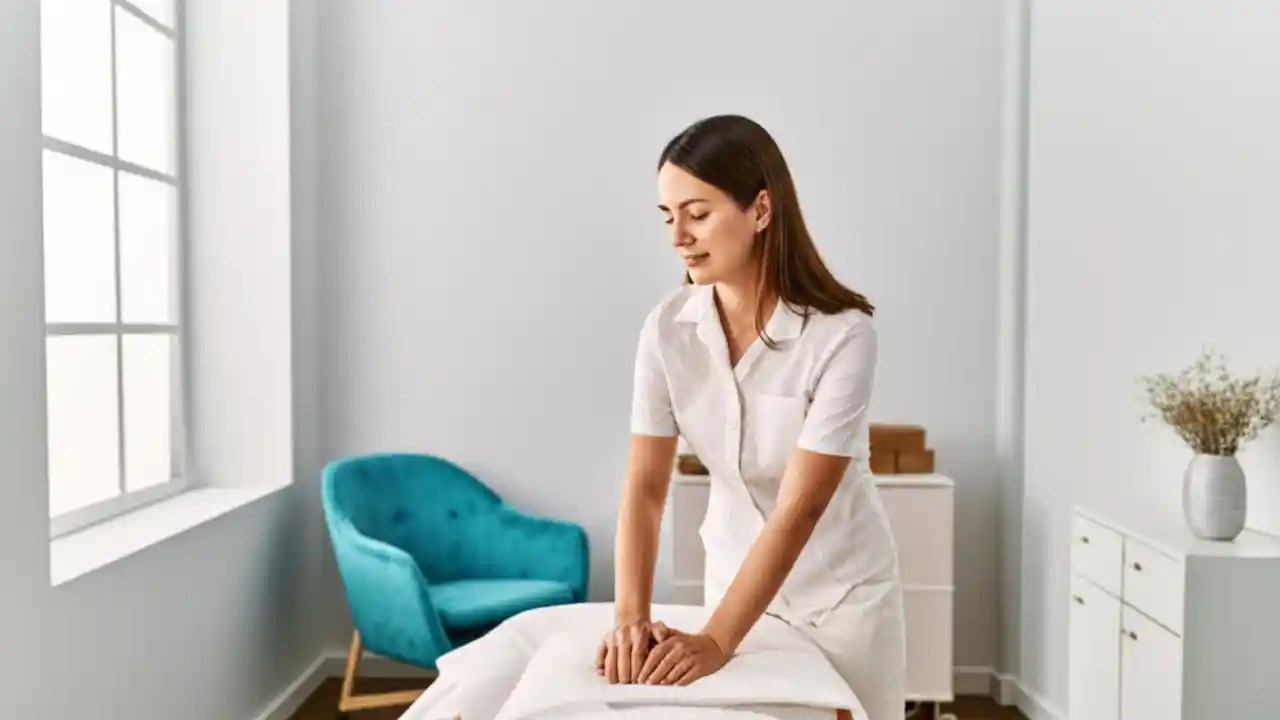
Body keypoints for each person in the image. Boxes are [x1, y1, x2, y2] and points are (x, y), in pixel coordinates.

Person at [594, 115, 906, 720]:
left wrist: (715, 642)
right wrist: (631, 619)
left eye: (698, 212)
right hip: (733, 592)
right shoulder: (666, 330)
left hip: (838, 603)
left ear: (761, 209)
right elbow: (645, 489)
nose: (678, 236)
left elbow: (800, 508)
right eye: (667, 216)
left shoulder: (842, 337)